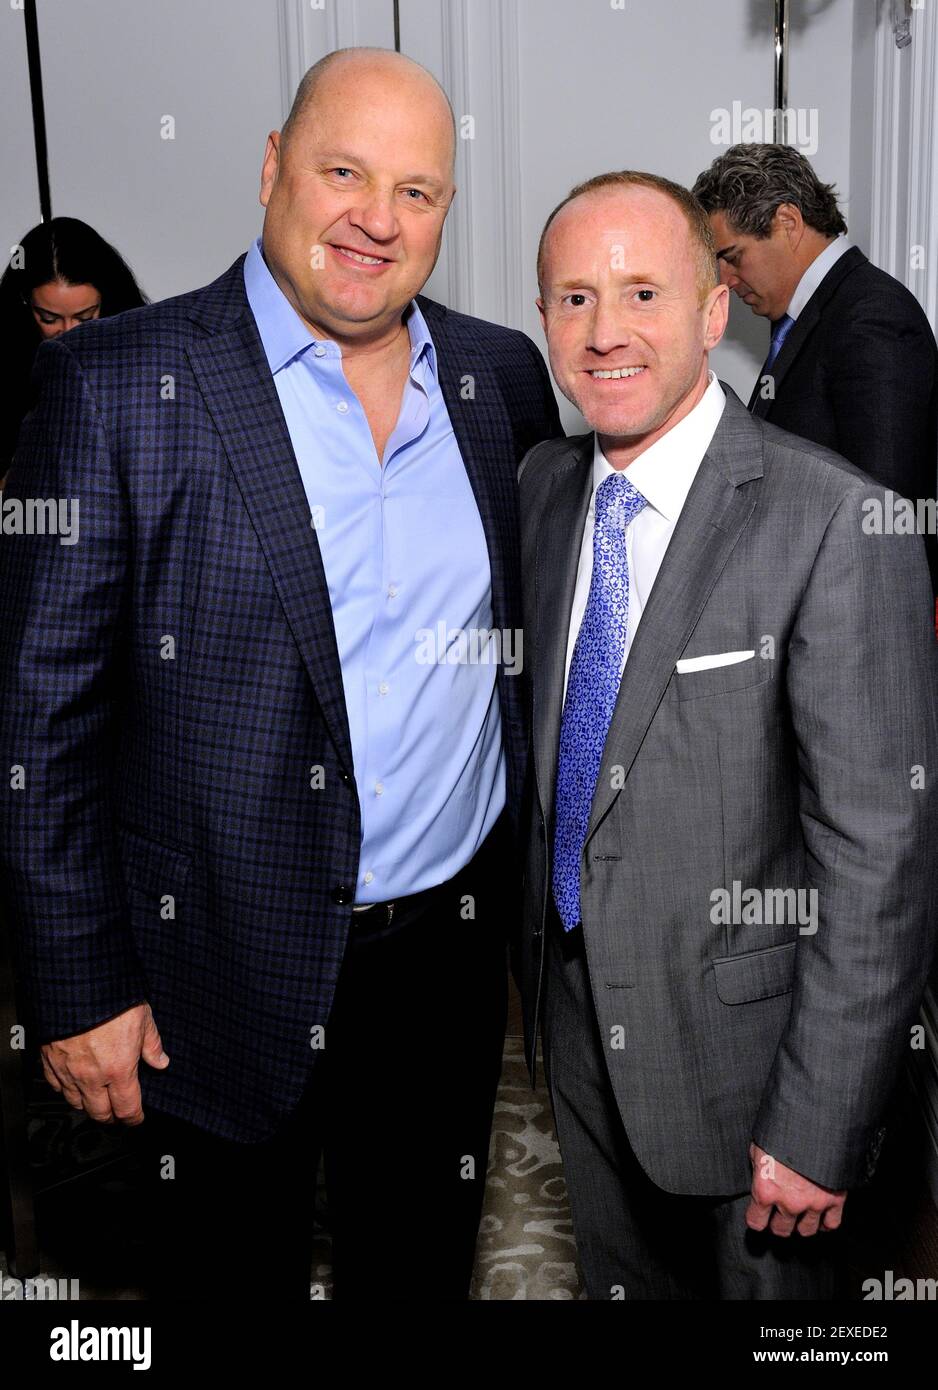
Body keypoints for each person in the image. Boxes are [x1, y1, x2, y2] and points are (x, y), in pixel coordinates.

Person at [0, 47, 560, 1301]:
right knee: (224, 1278)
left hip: (443, 959)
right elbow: (41, 719)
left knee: (413, 1265)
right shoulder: (115, 386)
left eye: (416, 190)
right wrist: (77, 981)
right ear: (270, 169)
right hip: (210, 960)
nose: (377, 217)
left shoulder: (496, 382)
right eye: (344, 171)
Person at [514, 169, 938, 1299]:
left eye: (642, 292)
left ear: (712, 312)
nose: (605, 331)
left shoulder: (831, 520)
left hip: (753, 1078)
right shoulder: (543, 492)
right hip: (577, 1026)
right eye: (571, 299)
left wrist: (819, 1116)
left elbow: (876, 856)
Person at [692, 143, 938, 593]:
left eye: (733, 256)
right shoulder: (809, 314)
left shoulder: (871, 316)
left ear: (787, 222)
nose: (725, 279)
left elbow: (883, 514)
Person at [0, 217, 147, 483]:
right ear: (24, 304)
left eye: (85, 317)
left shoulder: (142, 359)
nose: (69, 332)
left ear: (109, 300)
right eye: (49, 318)